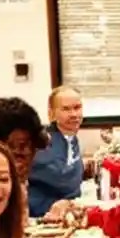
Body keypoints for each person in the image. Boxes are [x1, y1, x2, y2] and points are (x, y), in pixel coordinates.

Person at [27, 86, 86, 218]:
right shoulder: (42, 141)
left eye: (77, 107)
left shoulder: (71, 138)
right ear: (51, 114)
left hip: (64, 214)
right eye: (66, 109)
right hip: (39, 215)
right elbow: (63, 181)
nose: (74, 114)